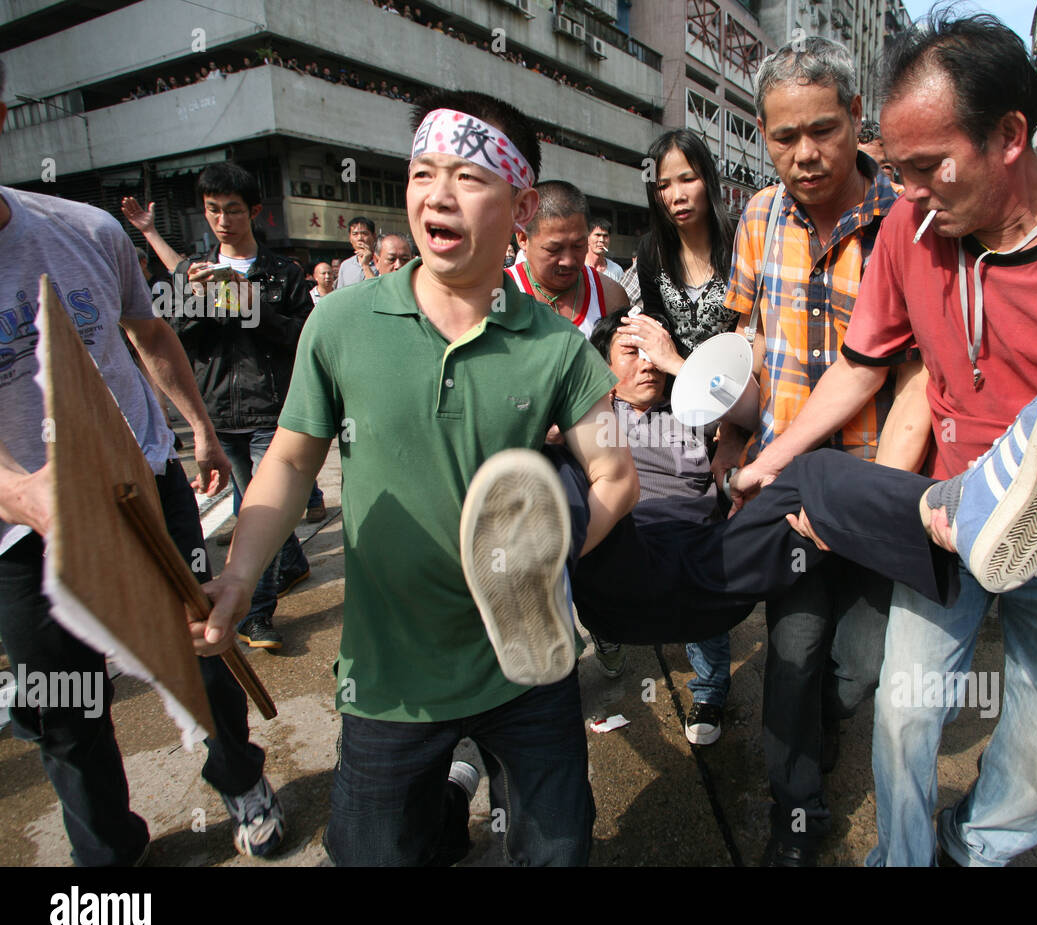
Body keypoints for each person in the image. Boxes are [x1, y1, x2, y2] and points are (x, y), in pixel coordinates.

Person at [732, 12, 1037, 866]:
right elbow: (861, 368)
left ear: (1010, 136)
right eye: (899, 168)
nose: (907, 191)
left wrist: (1036, 490)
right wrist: (770, 461)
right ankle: (904, 856)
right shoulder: (909, 239)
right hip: (946, 525)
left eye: (926, 168)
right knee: (905, 709)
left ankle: (978, 847)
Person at [191, 90, 641, 867]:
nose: (437, 195)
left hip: (526, 665)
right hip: (389, 674)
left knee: (558, 851)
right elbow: (292, 460)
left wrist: (545, 563)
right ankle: (450, 796)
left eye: (467, 177)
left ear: (521, 204)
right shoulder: (341, 324)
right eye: (422, 172)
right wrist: (237, 573)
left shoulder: (557, 347)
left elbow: (615, 476)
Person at [0, 61, 285, 862]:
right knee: (67, 707)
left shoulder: (83, 231)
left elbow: (151, 334)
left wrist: (194, 425)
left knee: (204, 644)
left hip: (145, 482)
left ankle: (241, 781)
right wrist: (26, 496)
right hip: (22, 534)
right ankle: (111, 863)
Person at [716, 36, 912, 866]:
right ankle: (796, 818)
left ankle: (826, 731)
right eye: (783, 137)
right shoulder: (759, 216)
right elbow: (743, 342)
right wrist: (731, 447)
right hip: (784, 485)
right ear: (761, 134)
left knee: (857, 670)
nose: (805, 155)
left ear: (858, 118)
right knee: (790, 660)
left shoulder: (911, 221)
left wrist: (891, 497)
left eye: (824, 130)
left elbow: (921, 379)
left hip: (877, 487)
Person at [613, 128, 740, 743]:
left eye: (686, 178)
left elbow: (753, 349)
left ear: (708, 178)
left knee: (713, 556)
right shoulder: (649, 254)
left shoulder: (742, 246)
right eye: (663, 184)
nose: (675, 194)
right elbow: (643, 334)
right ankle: (708, 683)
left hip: (738, 410)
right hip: (677, 418)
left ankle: (712, 686)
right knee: (683, 547)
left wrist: (730, 426)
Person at [169, 162, 314, 652]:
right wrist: (197, 298)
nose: (223, 221)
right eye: (213, 211)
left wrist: (251, 303)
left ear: (254, 212)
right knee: (250, 502)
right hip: (213, 412)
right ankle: (290, 560)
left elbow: (301, 338)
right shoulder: (190, 272)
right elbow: (172, 339)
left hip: (271, 409)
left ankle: (254, 612)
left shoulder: (283, 273)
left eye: (233, 210)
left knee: (260, 501)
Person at [507, 181, 629, 337]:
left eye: (578, 246)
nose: (568, 261)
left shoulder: (610, 296)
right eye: (554, 249)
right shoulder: (499, 293)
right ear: (523, 239)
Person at [335, 216, 378, 288]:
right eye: (355, 234)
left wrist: (365, 265)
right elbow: (340, 295)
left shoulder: (382, 262)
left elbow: (378, 290)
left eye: (364, 234)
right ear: (350, 238)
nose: (360, 238)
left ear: (374, 236)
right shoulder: (345, 265)